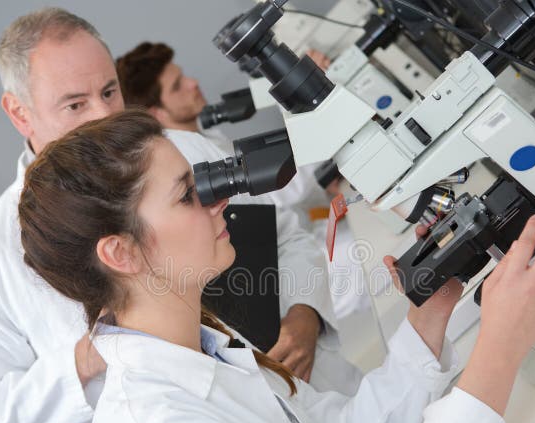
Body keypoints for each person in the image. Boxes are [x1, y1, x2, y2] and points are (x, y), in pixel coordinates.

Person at [19, 109, 535, 423]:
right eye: (190, 195)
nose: (221, 204)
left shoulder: (205, 346)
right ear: (121, 253)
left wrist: (427, 322)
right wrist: (502, 345)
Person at [0, 7, 347, 423]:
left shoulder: (182, 150)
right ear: (20, 112)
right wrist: (86, 359)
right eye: (75, 104)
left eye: (109, 92)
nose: (102, 117)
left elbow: (283, 232)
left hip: (319, 393)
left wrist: (306, 314)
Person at [116, 41, 371, 322]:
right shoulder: (188, 157)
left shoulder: (204, 137)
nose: (192, 83)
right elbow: (279, 193)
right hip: (286, 273)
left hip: (300, 239)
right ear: (157, 114)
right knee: (371, 250)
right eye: (178, 86)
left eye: (183, 75)